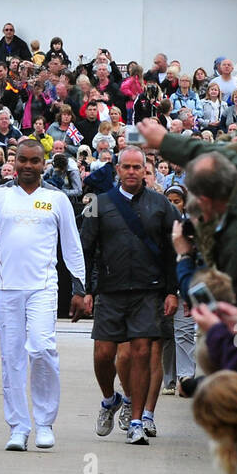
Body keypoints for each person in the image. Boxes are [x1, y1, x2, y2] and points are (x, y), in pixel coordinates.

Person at [0, 139, 86, 451]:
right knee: (12, 359)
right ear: (15, 161)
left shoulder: (56, 199)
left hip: (43, 288)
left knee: (42, 349)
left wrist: (79, 287)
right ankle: (19, 428)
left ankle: (45, 423)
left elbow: (72, 245)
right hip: (7, 289)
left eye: (34, 161)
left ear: (43, 163)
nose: (27, 166)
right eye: (22, 159)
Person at [80, 145, 178, 445]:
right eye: (127, 167)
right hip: (110, 291)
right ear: (117, 169)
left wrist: (172, 291)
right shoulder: (97, 203)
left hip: (148, 292)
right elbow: (85, 249)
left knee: (141, 353)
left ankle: (136, 422)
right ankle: (109, 399)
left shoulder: (162, 205)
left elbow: (176, 249)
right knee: (103, 354)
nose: (132, 172)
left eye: (138, 167)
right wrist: (85, 290)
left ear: (145, 170)